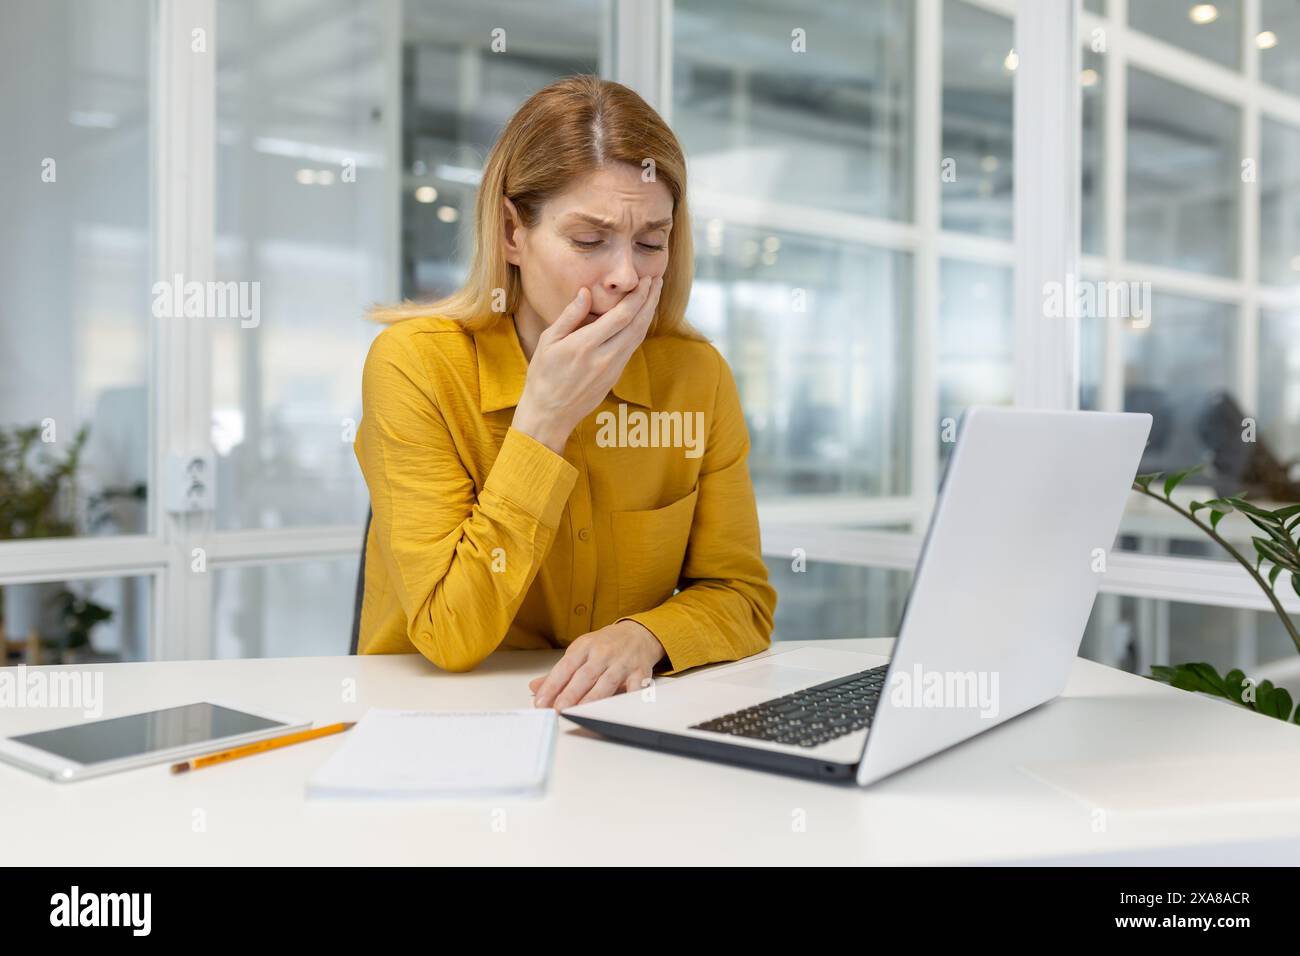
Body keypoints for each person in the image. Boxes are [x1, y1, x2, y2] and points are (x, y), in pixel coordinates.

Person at [355, 74, 776, 710]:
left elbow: (741, 598)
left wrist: (646, 637)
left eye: (651, 242)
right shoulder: (416, 366)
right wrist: (542, 423)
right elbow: (450, 632)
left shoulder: (697, 377)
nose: (626, 276)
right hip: (436, 727)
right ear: (510, 233)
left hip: (615, 727)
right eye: (589, 241)